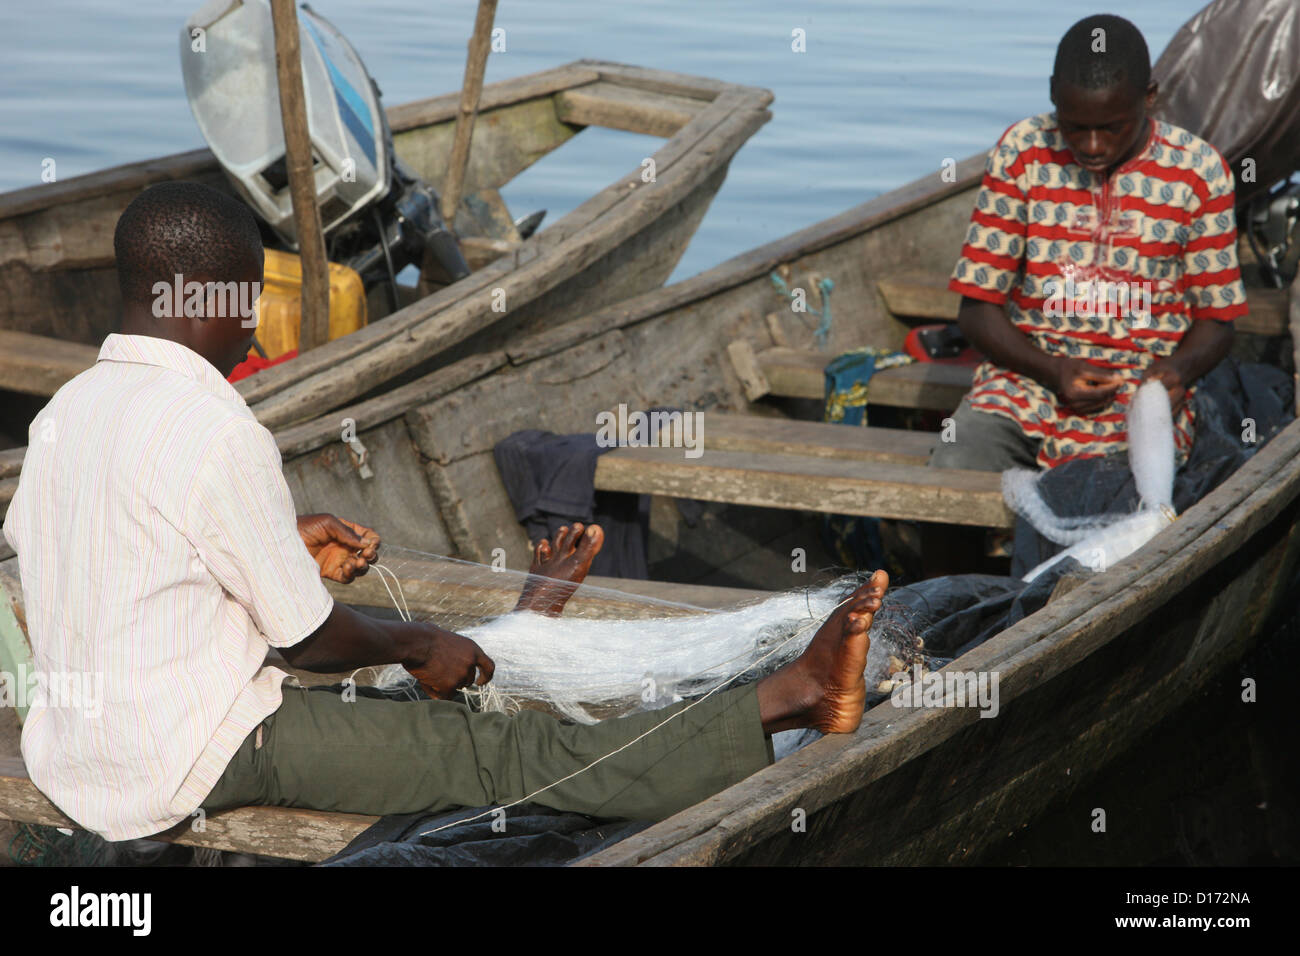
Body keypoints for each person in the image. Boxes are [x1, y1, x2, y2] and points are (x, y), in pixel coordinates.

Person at [2, 181, 890, 843]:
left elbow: (94, 573)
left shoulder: (63, 418)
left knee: (392, 680)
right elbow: (306, 642)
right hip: (189, 751)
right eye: (253, 297)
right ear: (224, 295)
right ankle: (791, 697)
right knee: (489, 755)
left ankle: (519, 628)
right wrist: (425, 644)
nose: (258, 324)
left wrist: (282, 544)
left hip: (80, 747)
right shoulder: (212, 427)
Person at [930, 13, 1246, 476]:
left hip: (1138, 390)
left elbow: (1218, 319)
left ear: (1150, 98)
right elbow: (976, 309)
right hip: (1026, 382)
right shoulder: (1023, 152)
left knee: (1121, 494)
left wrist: (1176, 372)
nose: (1093, 146)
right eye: (1075, 127)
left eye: (1112, 127)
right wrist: (1051, 370)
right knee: (955, 464)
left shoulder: (1198, 172)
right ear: (1054, 95)